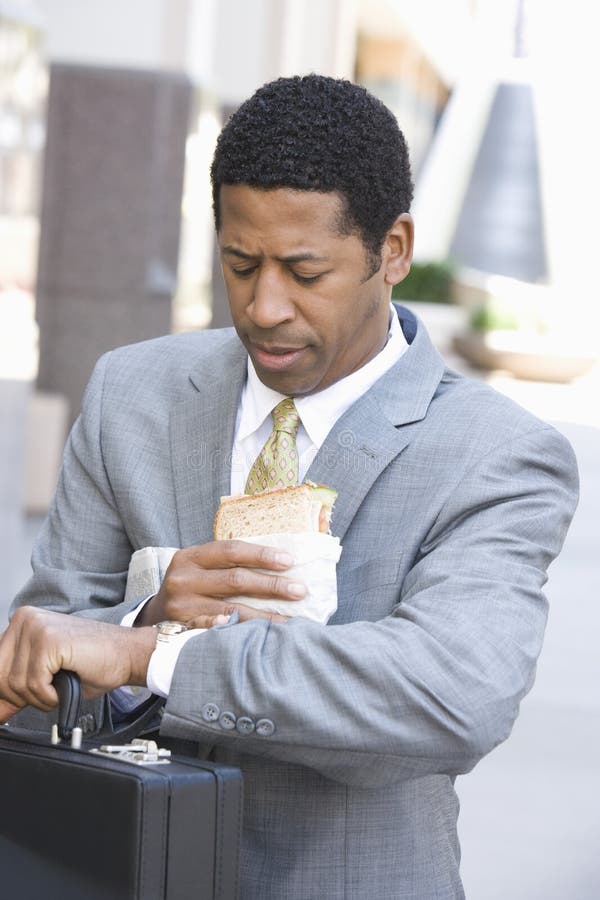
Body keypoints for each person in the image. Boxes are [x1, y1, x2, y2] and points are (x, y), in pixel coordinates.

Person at [0, 75, 578, 899]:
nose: (264, 306)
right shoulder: (131, 393)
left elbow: (451, 694)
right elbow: (34, 667)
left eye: (305, 272)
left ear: (395, 250)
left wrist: (148, 654)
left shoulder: (496, 455)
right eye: (240, 265)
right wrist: (147, 613)